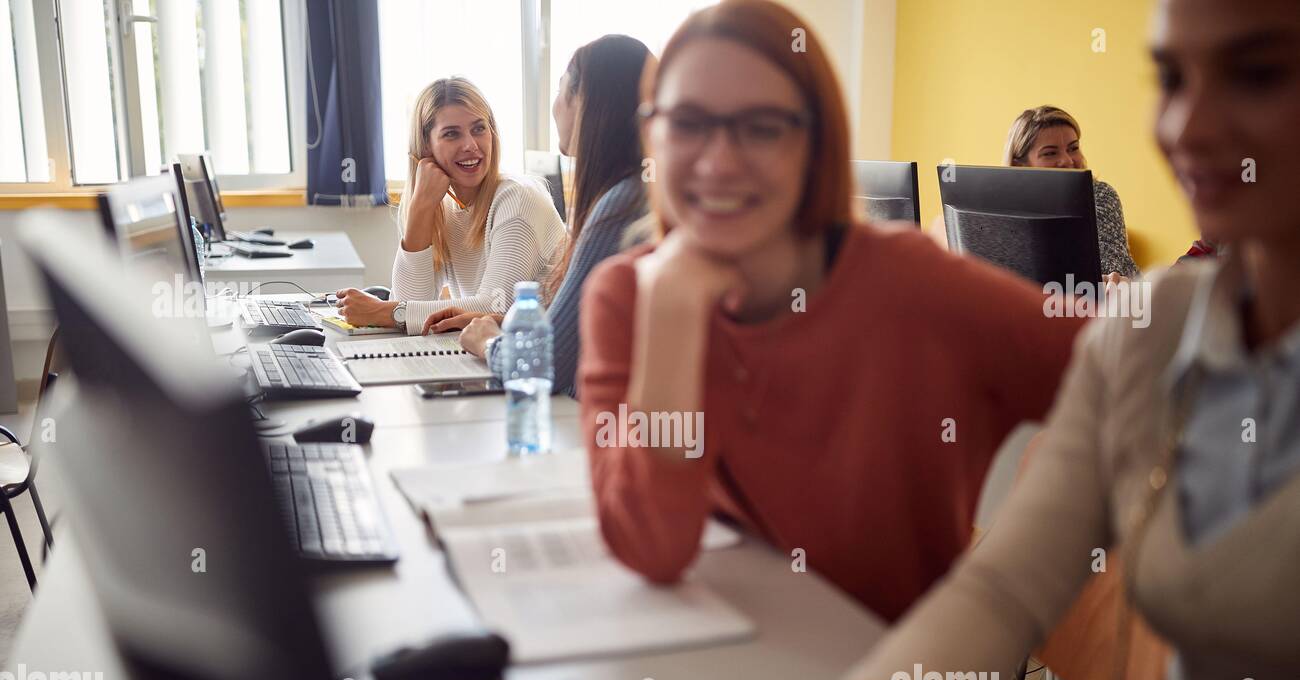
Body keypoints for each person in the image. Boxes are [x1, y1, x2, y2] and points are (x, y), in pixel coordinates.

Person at [634, 0, 1300, 680]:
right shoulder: (1150, 330)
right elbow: (1005, 589)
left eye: (1257, 73)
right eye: (1171, 78)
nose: (1188, 124)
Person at [578, 0, 1084, 627]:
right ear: (652, 133)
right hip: (739, 669)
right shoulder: (629, 295)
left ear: (816, 145)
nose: (716, 161)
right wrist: (675, 316)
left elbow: (1128, 371)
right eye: (687, 122)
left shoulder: (905, 281)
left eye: (761, 127)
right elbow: (653, 547)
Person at [429, 35, 654, 397]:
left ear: (585, 103)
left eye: (560, 91)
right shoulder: (632, 192)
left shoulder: (619, 207)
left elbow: (544, 366)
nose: (554, 107)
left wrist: (489, 342)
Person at [334, 77, 565, 334]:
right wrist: (420, 208)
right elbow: (412, 305)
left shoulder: (519, 200)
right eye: (452, 134)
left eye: (479, 129)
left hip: (540, 364)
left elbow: (496, 308)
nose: (470, 145)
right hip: (488, 356)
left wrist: (384, 311)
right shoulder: (445, 207)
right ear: (426, 147)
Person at [1004, 105, 1141, 281]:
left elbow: (1108, 270)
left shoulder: (1100, 195)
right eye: (1050, 153)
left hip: (1115, 303)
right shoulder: (1006, 209)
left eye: (1073, 148)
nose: (1067, 160)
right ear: (1020, 166)